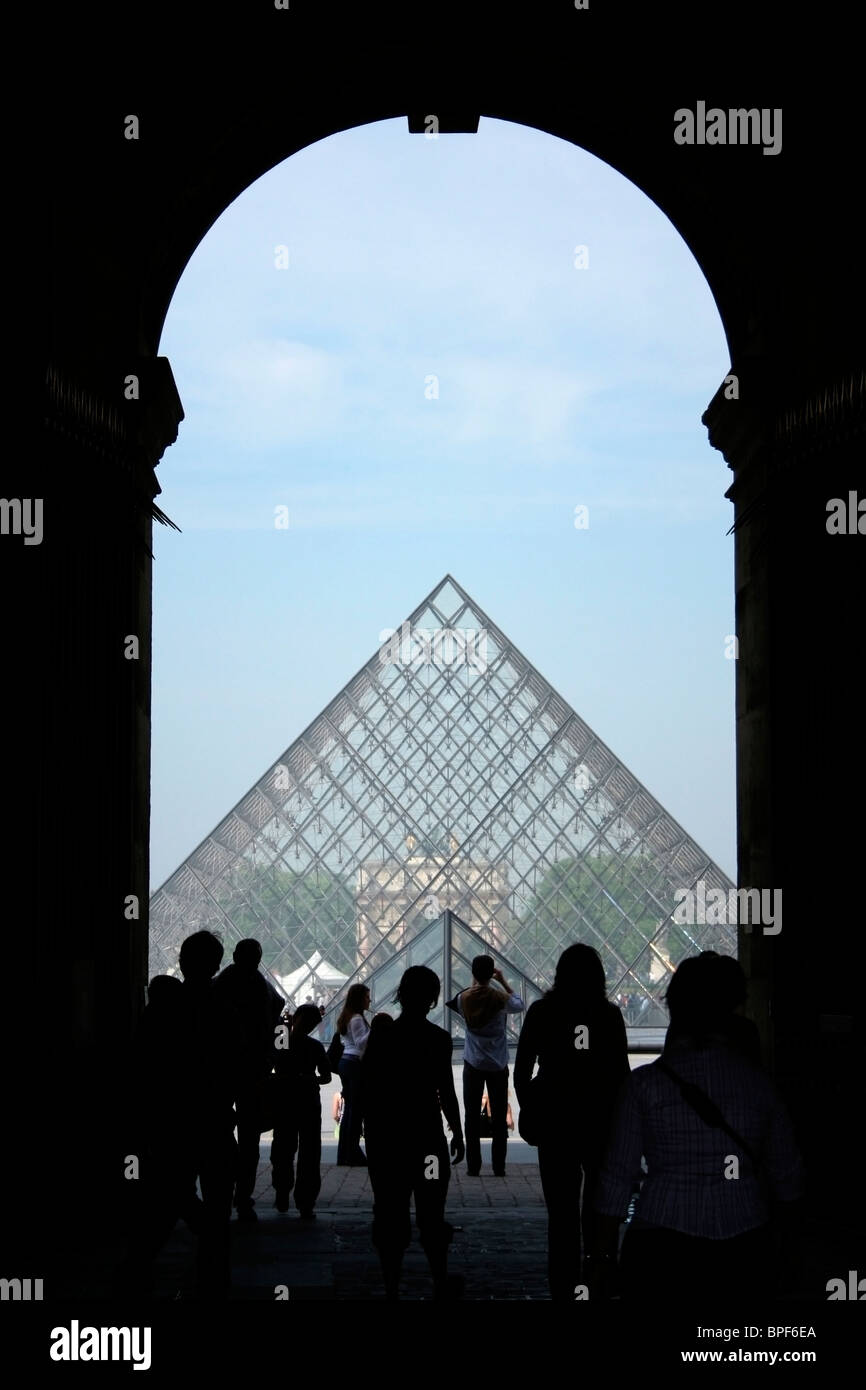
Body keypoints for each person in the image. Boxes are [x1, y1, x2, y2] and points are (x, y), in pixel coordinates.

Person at [594, 953, 805, 1302]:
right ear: (734, 1009)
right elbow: (788, 1176)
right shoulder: (760, 1085)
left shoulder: (645, 1085)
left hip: (661, 1241)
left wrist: (600, 1257)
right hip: (745, 1240)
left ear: (676, 1008)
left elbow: (617, 1178)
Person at [124, 932, 243, 1298]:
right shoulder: (226, 1007)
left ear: (181, 960)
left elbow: (140, 1065)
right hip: (215, 1119)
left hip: (172, 1120)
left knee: (167, 1195)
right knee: (218, 1204)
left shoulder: (162, 1008)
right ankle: (212, 1277)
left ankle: (139, 1269)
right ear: (218, 964)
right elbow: (239, 1064)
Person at [514, 943, 629, 1301]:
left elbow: (520, 1071)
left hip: (555, 1121)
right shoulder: (608, 1014)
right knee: (597, 1211)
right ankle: (595, 1281)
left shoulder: (542, 1011)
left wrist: (531, 1105)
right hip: (597, 1120)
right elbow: (621, 1075)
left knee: (560, 1217)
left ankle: (563, 1287)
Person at [360, 965, 465, 1300]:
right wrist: (458, 1132)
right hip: (427, 1141)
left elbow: (367, 1091)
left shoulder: (382, 1037)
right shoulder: (438, 1039)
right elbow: (446, 1091)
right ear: (433, 998)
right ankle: (439, 1278)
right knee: (432, 1213)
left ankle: (391, 1284)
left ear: (401, 994)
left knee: (390, 1212)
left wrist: (370, 1137)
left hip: (389, 1141)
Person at [212, 938, 285, 1221]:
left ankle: (224, 1193)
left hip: (224, 1067)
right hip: (253, 1068)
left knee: (219, 1130)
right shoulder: (260, 983)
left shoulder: (221, 983)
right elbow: (277, 1013)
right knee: (249, 1138)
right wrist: (272, 1056)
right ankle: (243, 1196)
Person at [447, 955, 524, 1176]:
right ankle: (499, 1166)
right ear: (491, 973)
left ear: (473, 972)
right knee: (499, 1117)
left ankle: (473, 1166)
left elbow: (463, 998)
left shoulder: (464, 999)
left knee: (471, 1116)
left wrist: (476, 981)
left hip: (473, 1062)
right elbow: (519, 1003)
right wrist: (502, 980)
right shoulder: (500, 998)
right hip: (498, 1064)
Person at [272, 1003, 331, 1217]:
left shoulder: (282, 1038)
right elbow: (326, 1076)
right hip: (308, 1101)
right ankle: (305, 1201)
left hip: (285, 1100)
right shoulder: (315, 1047)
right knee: (309, 1153)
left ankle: (281, 1192)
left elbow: (276, 1059)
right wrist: (309, 1078)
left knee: (283, 1149)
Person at [335, 982, 371, 1165]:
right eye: (367, 997)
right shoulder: (356, 1018)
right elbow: (361, 1043)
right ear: (359, 999)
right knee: (355, 1112)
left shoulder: (347, 1016)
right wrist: (376, 1030)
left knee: (350, 1111)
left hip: (346, 1063)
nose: (370, 1000)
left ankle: (345, 1153)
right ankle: (353, 1152)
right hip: (354, 1064)